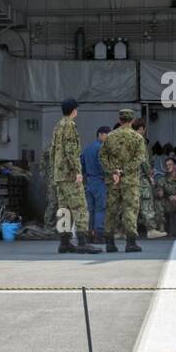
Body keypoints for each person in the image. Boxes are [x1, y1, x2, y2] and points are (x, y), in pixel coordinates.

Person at [50, 99, 101, 254]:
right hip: (70, 175)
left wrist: (55, 171)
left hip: (60, 175)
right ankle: (82, 242)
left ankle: (64, 243)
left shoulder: (58, 125)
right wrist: (77, 171)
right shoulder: (70, 125)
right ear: (73, 110)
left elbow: (53, 150)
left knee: (64, 209)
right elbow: (71, 151)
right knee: (80, 207)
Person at [101, 108, 148, 253]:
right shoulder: (138, 138)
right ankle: (130, 243)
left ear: (119, 120)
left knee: (111, 210)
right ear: (132, 120)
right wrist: (124, 171)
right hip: (130, 181)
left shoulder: (110, 136)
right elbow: (139, 159)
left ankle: (110, 243)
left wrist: (113, 171)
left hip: (113, 180)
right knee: (130, 209)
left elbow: (102, 156)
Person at [133, 119, 168, 239]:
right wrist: (149, 174)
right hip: (141, 178)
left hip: (129, 178)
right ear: (142, 129)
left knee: (129, 205)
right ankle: (151, 229)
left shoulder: (127, 140)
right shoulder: (140, 140)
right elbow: (143, 160)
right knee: (147, 203)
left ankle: (123, 230)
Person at [81, 125, 111, 241]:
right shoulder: (102, 149)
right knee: (101, 208)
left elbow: (81, 165)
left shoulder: (87, 148)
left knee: (90, 209)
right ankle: (99, 234)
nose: (109, 138)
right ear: (101, 134)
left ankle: (89, 233)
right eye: (108, 135)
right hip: (100, 181)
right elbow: (103, 166)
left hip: (89, 181)